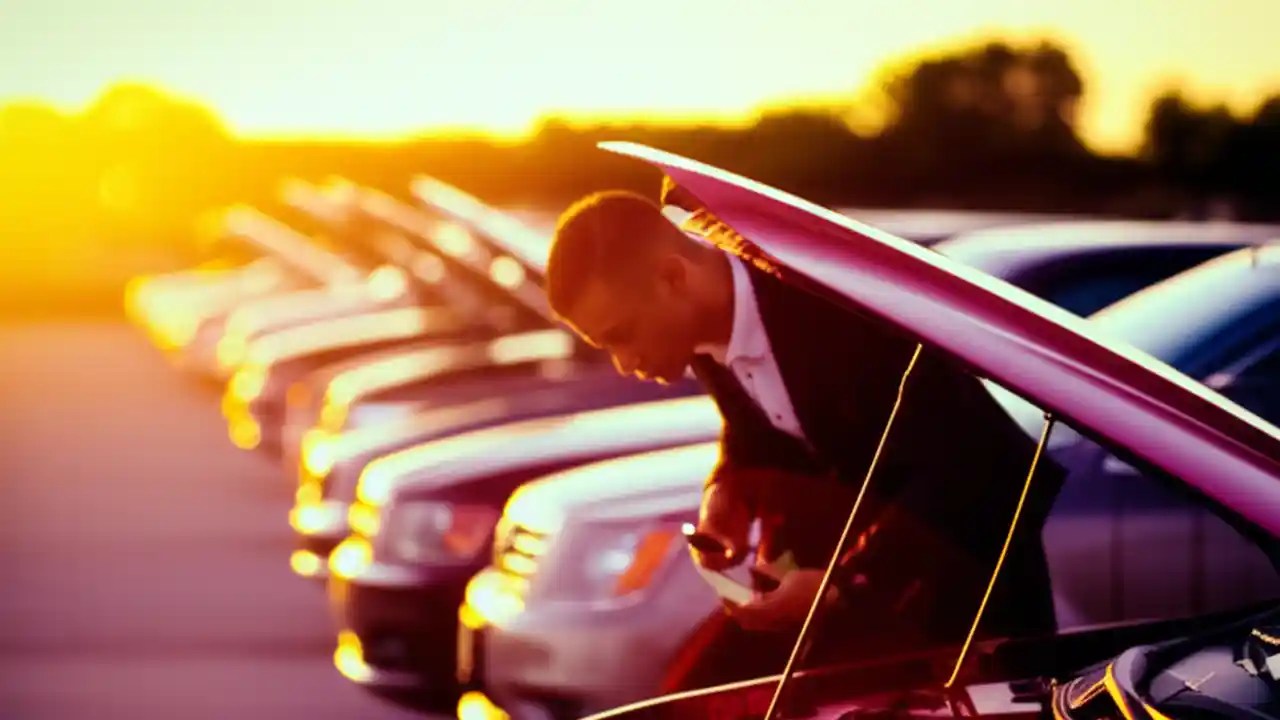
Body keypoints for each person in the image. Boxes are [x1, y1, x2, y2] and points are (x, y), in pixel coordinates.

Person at [545, 180, 1063, 691]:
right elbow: (760, 429)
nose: (625, 362)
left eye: (621, 334)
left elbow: (959, 468)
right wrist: (727, 490)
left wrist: (842, 587)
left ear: (674, 278)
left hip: (973, 594)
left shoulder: (835, 312)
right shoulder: (697, 327)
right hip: (866, 612)